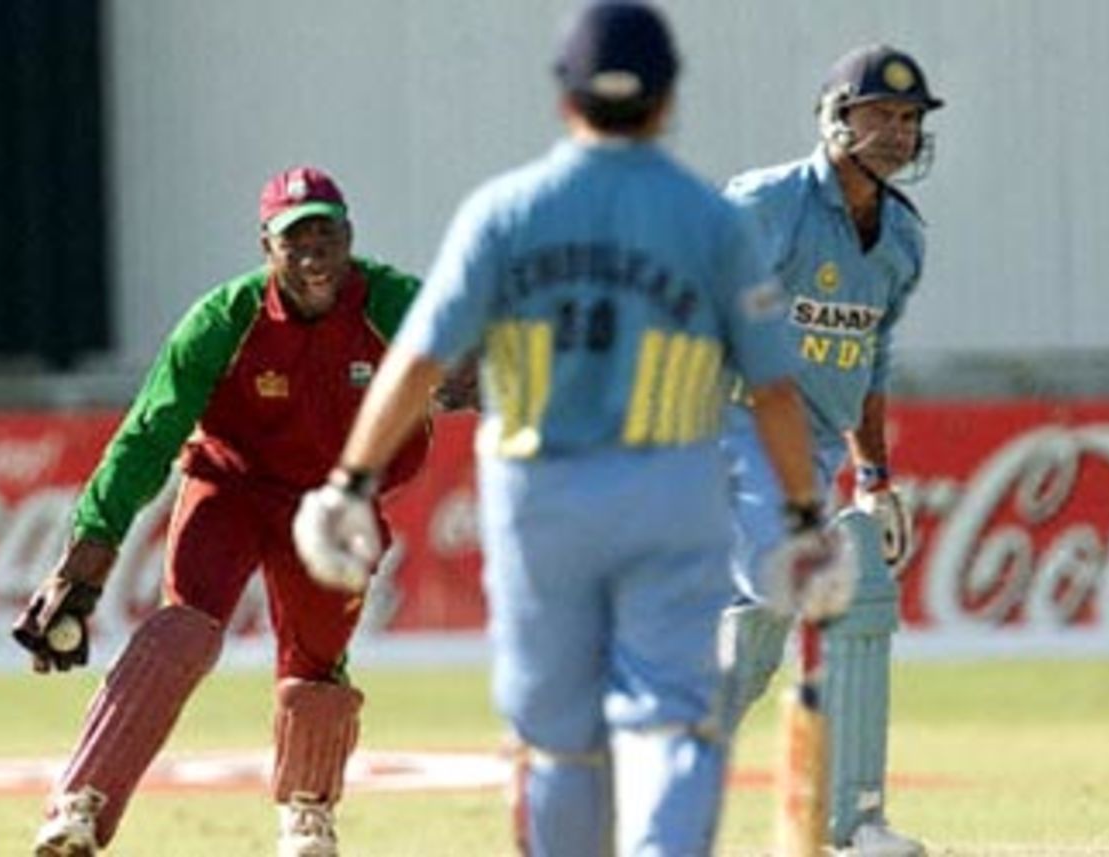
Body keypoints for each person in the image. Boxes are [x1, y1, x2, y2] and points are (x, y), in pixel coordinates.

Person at [290, 4, 854, 855]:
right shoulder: (712, 220)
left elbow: (415, 363)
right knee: (676, 724)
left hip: (538, 495)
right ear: (667, 100)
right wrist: (806, 518)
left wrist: (350, 483)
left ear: (565, 98)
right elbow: (775, 389)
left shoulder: (505, 211)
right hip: (672, 489)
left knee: (556, 739)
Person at [12, 165, 432, 857]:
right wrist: (84, 560)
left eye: (326, 234)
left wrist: (477, 369)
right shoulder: (224, 319)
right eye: (294, 239)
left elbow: (480, 345)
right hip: (230, 489)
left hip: (331, 504)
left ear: (349, 236)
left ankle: (306, 813)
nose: (313, 254)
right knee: (181, 633)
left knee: (315, 664)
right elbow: (148, 435)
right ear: (266, 247)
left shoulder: (393, 302)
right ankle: (79, 804)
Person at [718, 44, 944, 856]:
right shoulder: (769, 204)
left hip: (809, 448)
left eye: (909, 119)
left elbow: (867, 361)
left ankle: (656, 771)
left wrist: (875, 473)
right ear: (834, 119)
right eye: (878, 114)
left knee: (754, 629)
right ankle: (856, 824)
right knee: (842, 575)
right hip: (727, 427)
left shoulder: (903, 242)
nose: (896, 132)